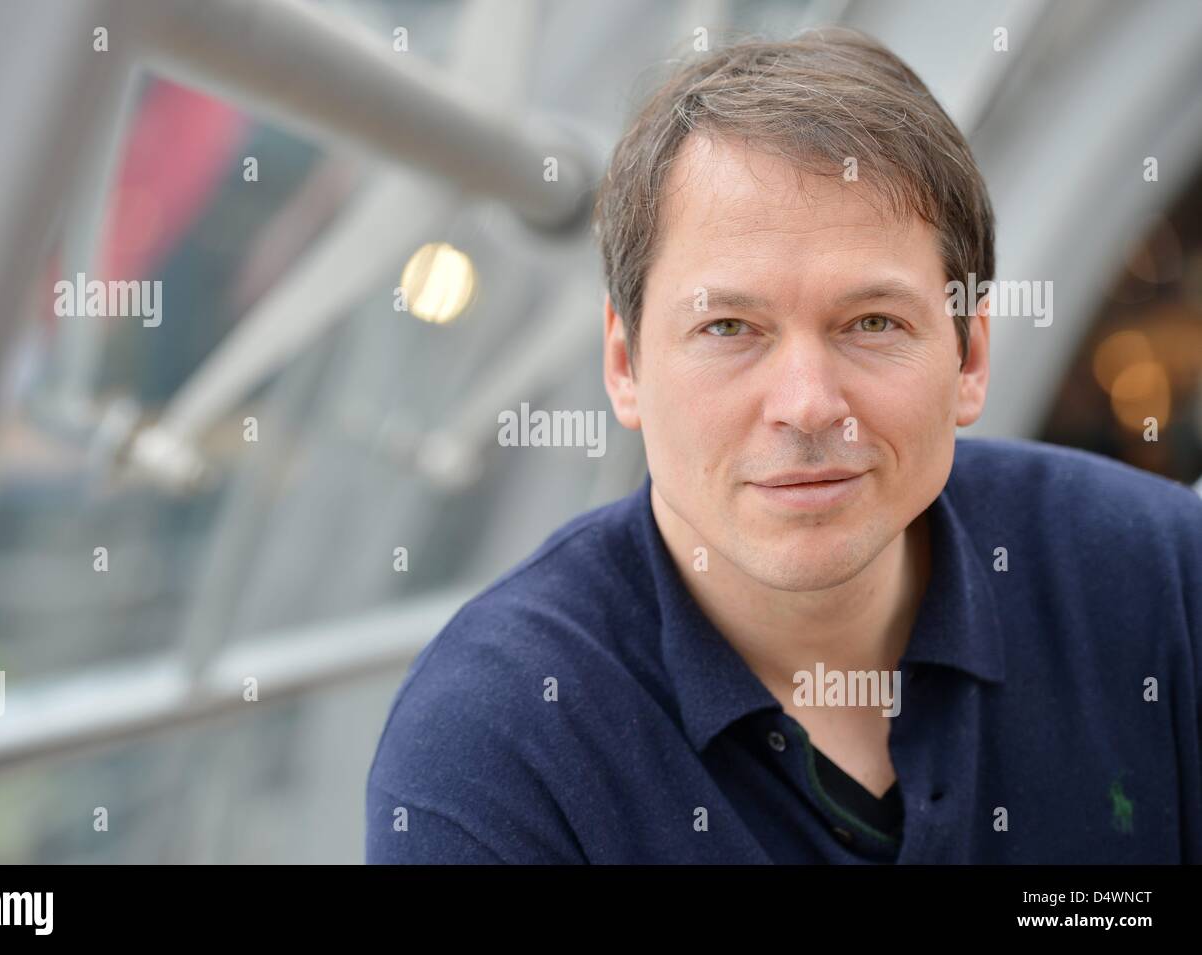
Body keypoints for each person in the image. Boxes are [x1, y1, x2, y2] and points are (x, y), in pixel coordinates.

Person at [365, 28, 1202, 863]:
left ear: (969, 356)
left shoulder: (1161, 578)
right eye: (729, 327)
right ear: (624, 366)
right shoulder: (496, 743)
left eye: (872, 322)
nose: (808, 407)